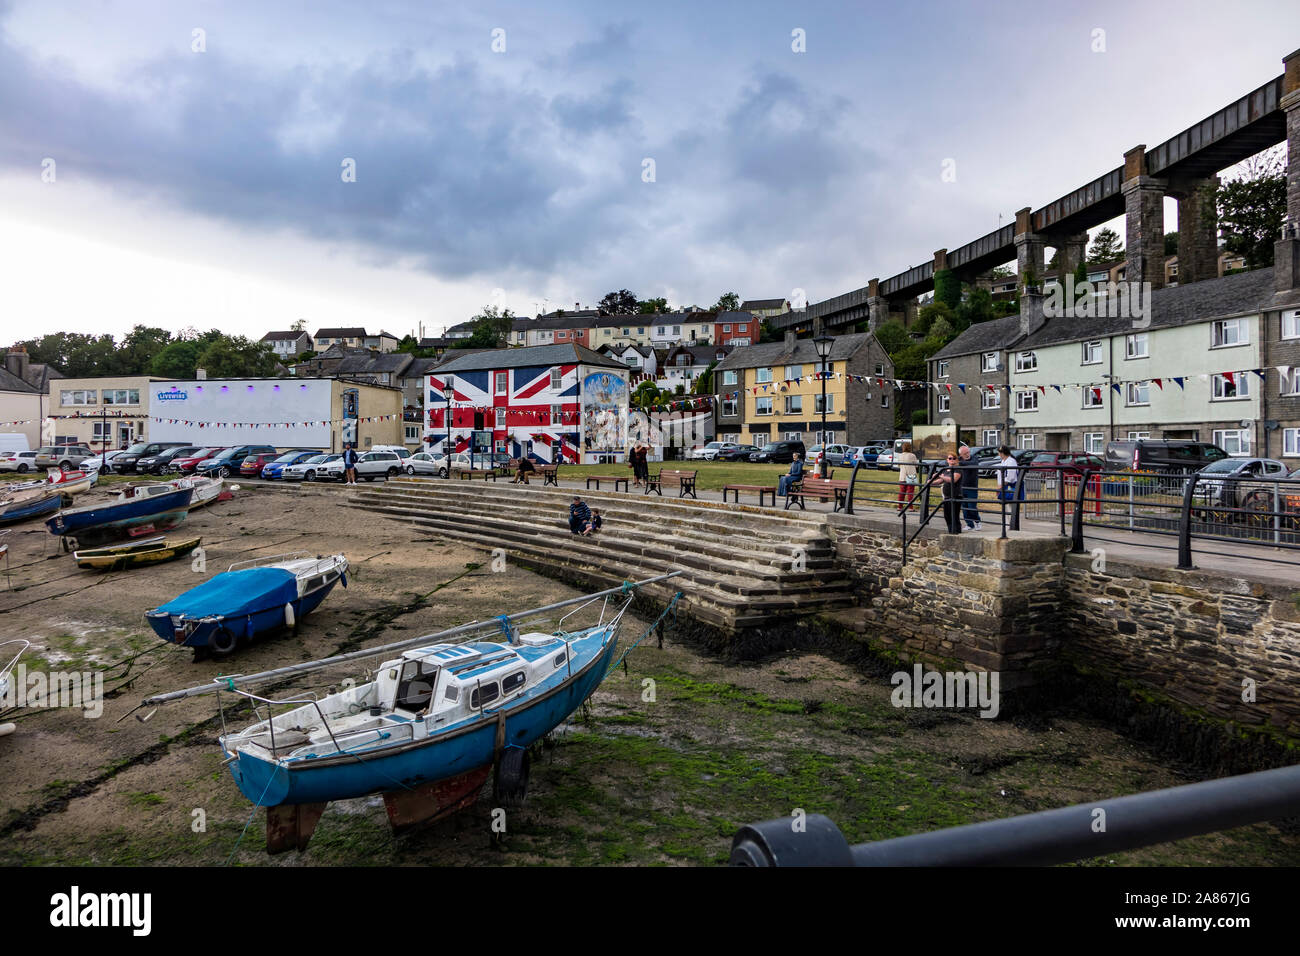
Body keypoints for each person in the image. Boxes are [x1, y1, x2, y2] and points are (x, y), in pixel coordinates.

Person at [995, 445, 1024, 529]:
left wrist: (1001, 485)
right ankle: (1007, 525)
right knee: (1006, 507)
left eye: (1000, 453)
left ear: (1003, 453)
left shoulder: (1011, 461)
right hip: (1004, 486)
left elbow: (1011, 477)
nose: (999, 454)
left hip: (1009, 486)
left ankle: (1011, 526)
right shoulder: (1004, 461)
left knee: (1010, 507)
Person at [935, 453, 964, 534]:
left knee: (954, 515)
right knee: (947, 515)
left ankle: (956, 531)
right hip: (947, 496)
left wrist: (942, 477)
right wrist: (931, 482)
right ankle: (951, 530)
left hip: (955, 495)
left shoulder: (958, 469)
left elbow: (953, 479)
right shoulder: (946, 469)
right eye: (950, 458)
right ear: (947, 460)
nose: (952, 460)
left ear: (957, 460)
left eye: (954, 458)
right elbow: (940, 480)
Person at [957, 446, 981, 531]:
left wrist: (961, 463)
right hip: (962, 487)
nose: (967, 454)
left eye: (968, 452)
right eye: (965, 453)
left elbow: (974, 464)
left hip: (972, 487)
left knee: (972, 507)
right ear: (961, 454)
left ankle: (977, 521)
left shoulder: (974, 458)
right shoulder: (958, 459)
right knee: (964, 507)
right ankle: (969, 524)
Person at [896, 441, 919, 511]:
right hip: (911, 475)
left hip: (902, 475)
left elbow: (899, 465)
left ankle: (900, 507)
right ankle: (910, 507)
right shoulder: (912, 455)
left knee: (902, 492)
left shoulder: (900, 455)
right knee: (910, 492)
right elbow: (916, 465)